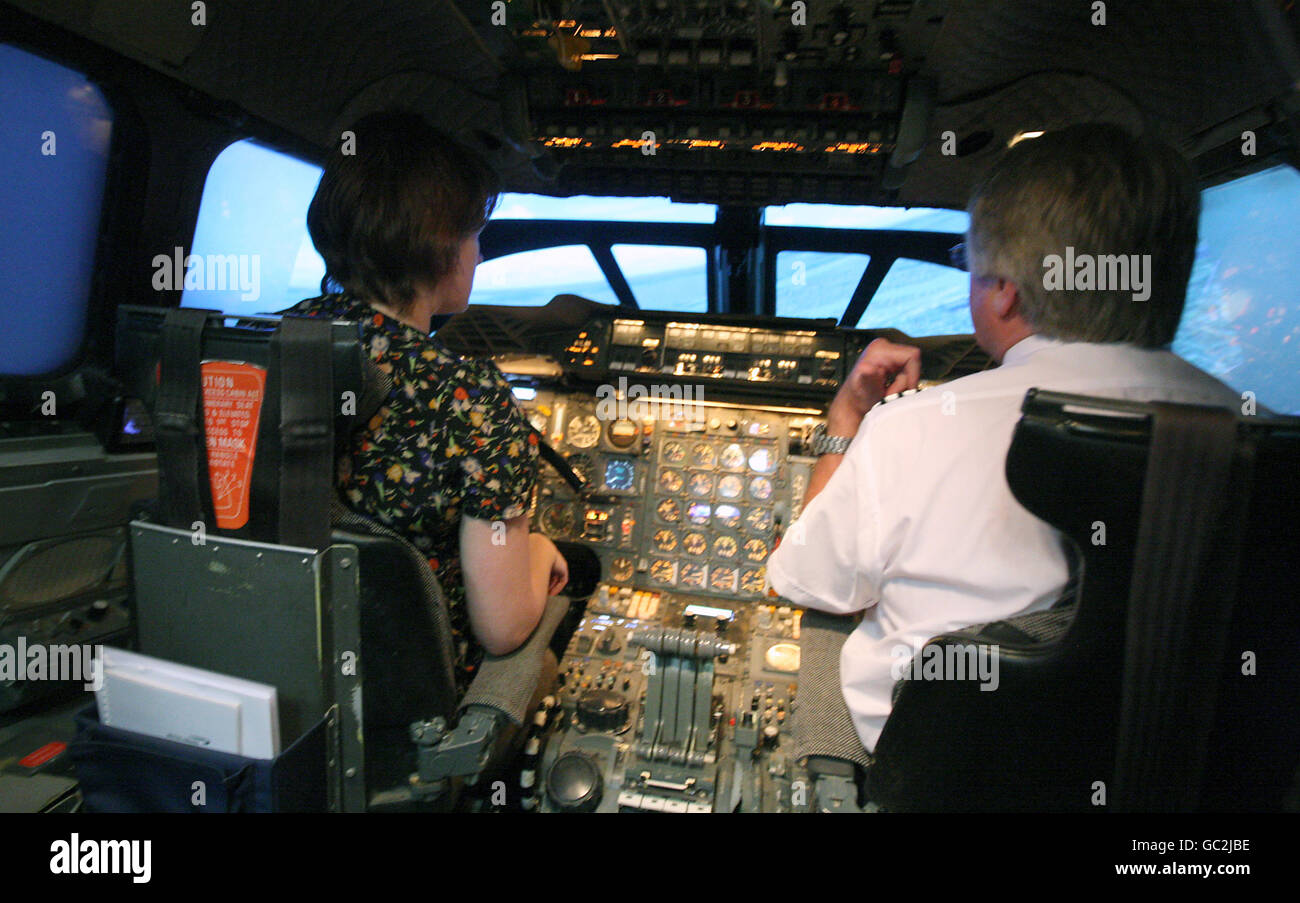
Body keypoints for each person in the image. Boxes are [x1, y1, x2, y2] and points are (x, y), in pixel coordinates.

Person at [765, 122, 1242, 753]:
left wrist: (845, 422)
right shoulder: (1257, 436)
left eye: (972, 266)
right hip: (1170, 780)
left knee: (825, 620)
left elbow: (802, 580)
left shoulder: (912, 427)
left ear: (1005, 293)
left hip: (934, 776)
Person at [288, 111, 568, 692]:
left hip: (266, 666)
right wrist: (540, 550)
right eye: (473, 235)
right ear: (439, 245)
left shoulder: (252, 347)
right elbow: (503, 627)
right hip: (405, 704)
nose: (479, 256)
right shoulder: (471, 400)